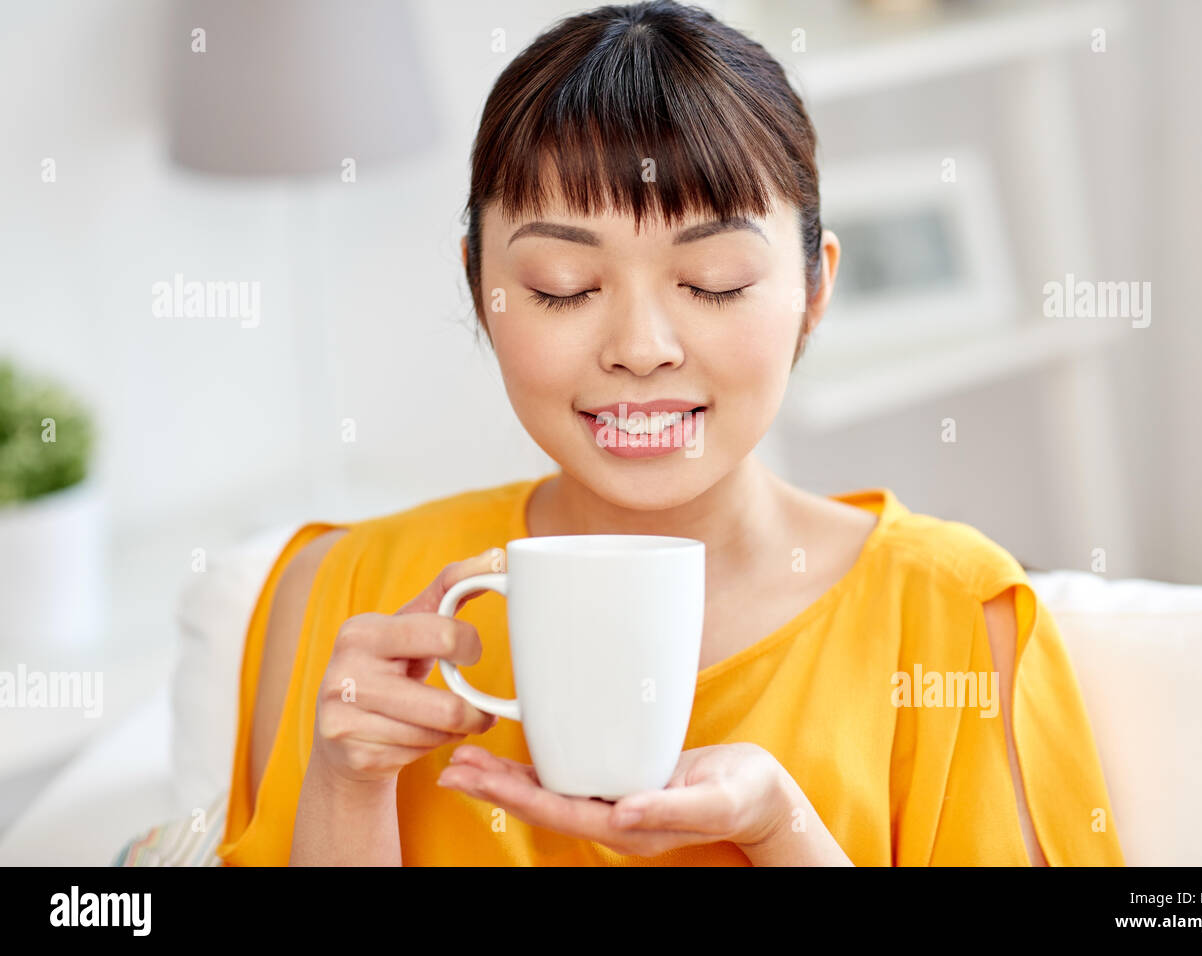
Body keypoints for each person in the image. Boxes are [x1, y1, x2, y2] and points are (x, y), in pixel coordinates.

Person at [217, 0, 1124, 866]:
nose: (641, 350)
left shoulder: (955, 617)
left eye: (716, 281)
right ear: (481, 289)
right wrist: (345, 787)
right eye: (564, 287)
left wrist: (781, 831)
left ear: (814, 290)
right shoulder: (340, 597)